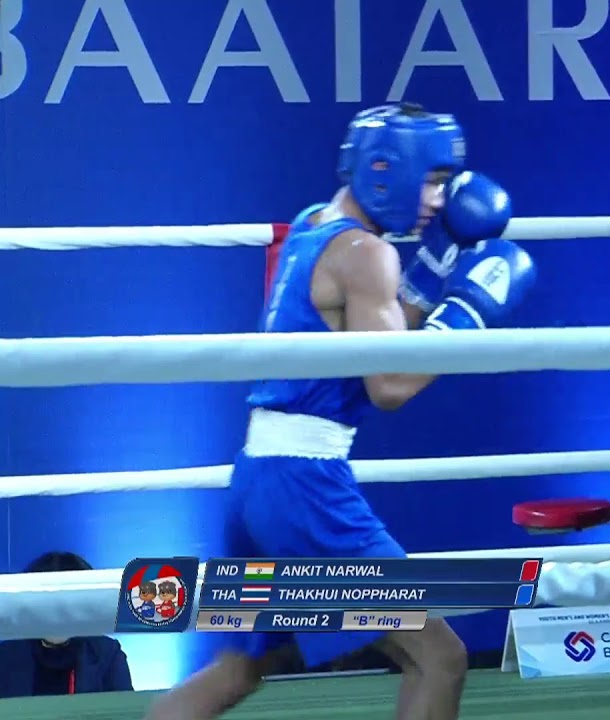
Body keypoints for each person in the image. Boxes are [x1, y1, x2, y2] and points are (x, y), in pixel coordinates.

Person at [145, 103, 536, 720]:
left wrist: (433, 272)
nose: (438, 199)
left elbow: (369, 338)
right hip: (306, 487)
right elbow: (390, 383)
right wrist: (469, 312)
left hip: (256, 478)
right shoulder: (365, 254)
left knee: (243, 666)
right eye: (432, 180)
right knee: (440, 657)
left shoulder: (311, 227)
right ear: (390, 170)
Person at [0, 552, 133, 697]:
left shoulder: (106, 654)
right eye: (48, 603)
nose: (58, 614)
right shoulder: (5, 657)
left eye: (67, 604)